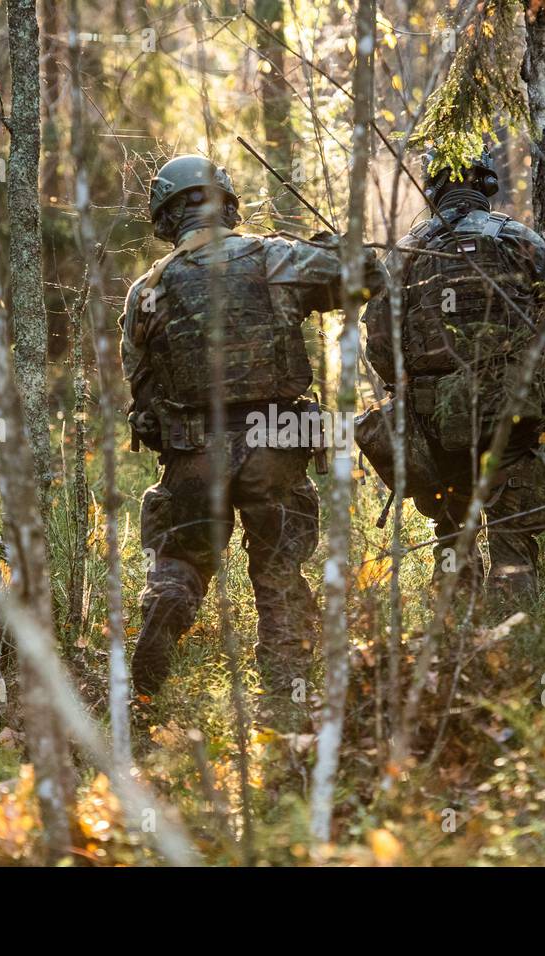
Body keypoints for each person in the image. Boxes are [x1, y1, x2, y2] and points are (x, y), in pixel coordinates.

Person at [120, 154, 380, 726]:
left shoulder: (147, 290)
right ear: (226, 201)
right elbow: (368, 277)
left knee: (183, 561)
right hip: (275, 441)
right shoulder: (274, 257)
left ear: (168, 216)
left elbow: (140, 389)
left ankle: (163, 622)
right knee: (279, 567)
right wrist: (339, 247)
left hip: (192, 452)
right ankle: (284, 698)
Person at [356, 148, 545, 602]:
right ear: (485, 184)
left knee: (453, 538)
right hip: (512, 416)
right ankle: (516, 647)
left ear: (432, 188)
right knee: (513, 540)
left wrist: (411, 386)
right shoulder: (518, 239)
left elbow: (378, 341)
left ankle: (455, 645)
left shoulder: (405, 254)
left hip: (437, 422)